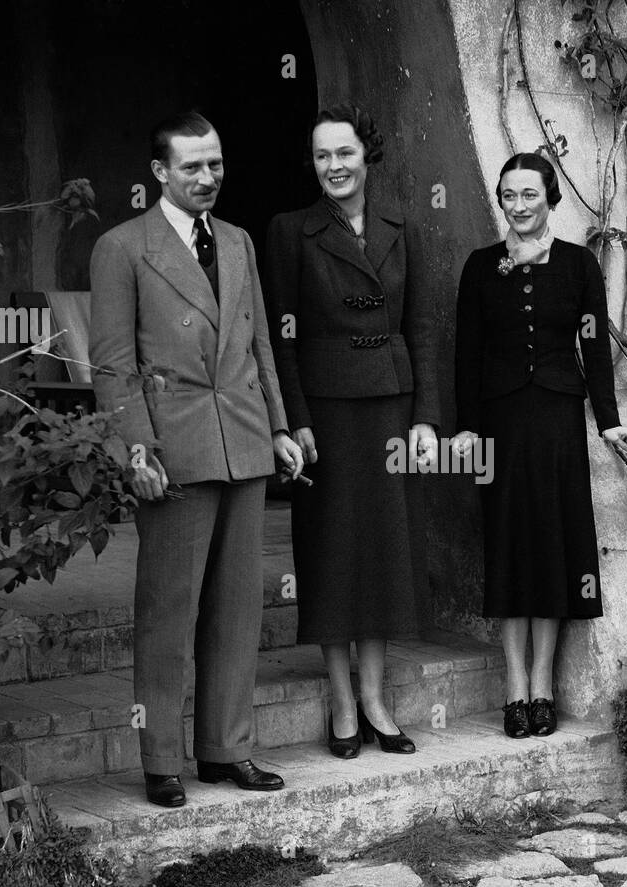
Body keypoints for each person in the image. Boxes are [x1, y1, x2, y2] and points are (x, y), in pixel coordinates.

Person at [89, 111, 304, 807]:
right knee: (167, 612)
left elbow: (260, 346)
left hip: (243, 444)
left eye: (215, 163)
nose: (208, 177)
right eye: (192, 167)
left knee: (239, 609)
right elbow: (114, 365)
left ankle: (226, 748)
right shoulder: (122, 248)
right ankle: (160, 760)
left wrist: (279, 428)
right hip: (175, 454)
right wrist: (136, 449)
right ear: (159, 173)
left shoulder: (239, 241)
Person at [264, 104, 439, 758]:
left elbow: (422, 328)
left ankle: (374, 697)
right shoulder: (289, 231)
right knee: (332, 554)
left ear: (367, 156)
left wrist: (426, 420)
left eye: (345, 153)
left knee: (385, 555)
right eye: (322, 156)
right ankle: (341, 699)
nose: (334, 166)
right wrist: (297, 422)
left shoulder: (402, 228)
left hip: (391, 409)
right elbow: (280, 340)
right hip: (327, 417)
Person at [454, 152, 627, 739]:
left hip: (560, 417)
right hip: (502, 423)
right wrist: (464, 426)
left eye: (529, 193)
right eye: (509, 194)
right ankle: (515, 687)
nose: (519, 203)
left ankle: (543, 685)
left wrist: (608, 421)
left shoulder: (580, 265)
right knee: (511, 545)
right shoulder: (481, 267)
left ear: (550, 198)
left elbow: (593, 349)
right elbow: (466, 354)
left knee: (554, 546)